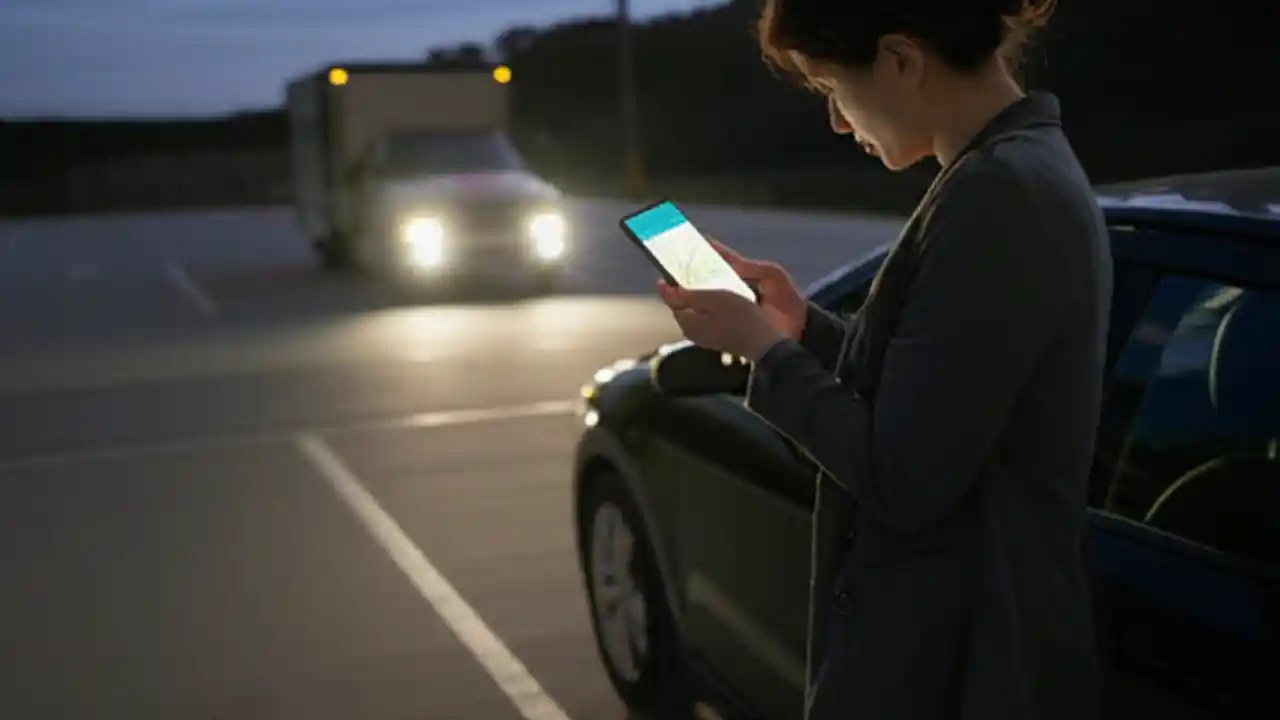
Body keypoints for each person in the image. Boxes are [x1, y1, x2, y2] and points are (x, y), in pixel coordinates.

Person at [656, 0, 1110, 718]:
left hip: (960, 663)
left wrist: (762, 350)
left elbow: (903, 478)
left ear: (901, 61)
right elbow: (948, 387)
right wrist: (804, 329)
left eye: (834, 89)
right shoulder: (1005, 170)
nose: (838, 122)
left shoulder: (1000, 191)